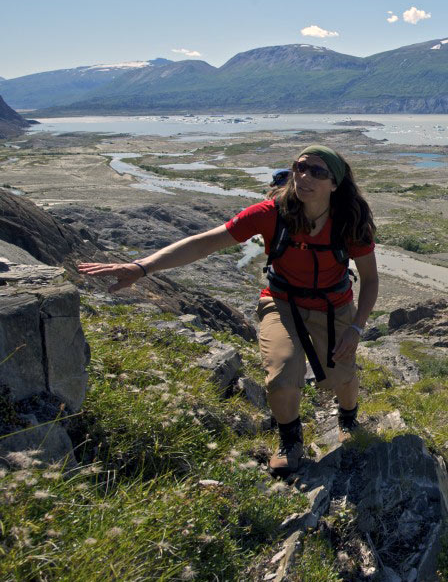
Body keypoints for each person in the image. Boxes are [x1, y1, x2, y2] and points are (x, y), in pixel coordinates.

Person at [79, 145, 379, 475]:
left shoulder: (350, 222)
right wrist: (143, 267)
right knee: (282, 375)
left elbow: (369, 278)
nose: (304, 176)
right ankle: (289, 441)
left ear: (335, 184)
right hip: (282, 303)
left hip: (332, 306)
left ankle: (348, 415)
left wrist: (356, 327)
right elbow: (207, 242)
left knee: (341, 375)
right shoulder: (271, 213)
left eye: (317, 172)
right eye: (300, 167)